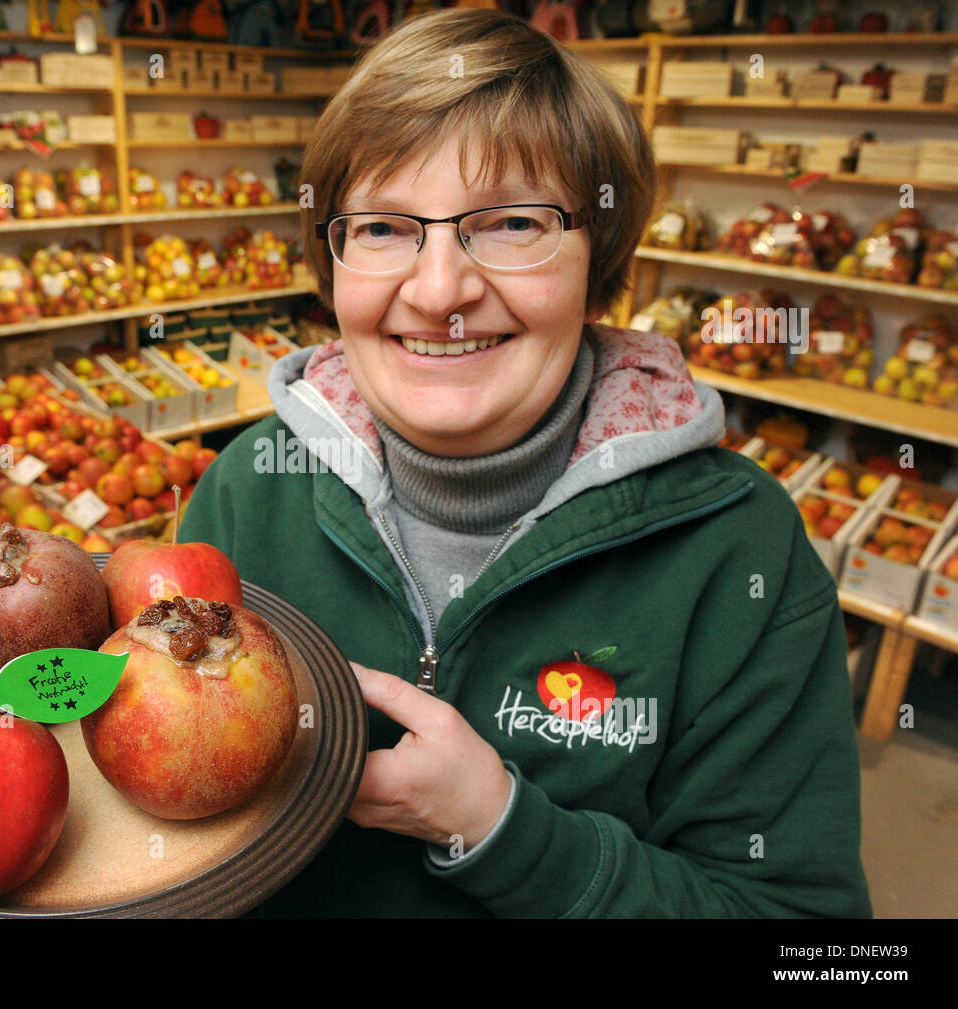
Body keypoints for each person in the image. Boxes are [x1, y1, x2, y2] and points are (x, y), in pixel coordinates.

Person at [179, 9, 873, 918]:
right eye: (385, 229)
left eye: (511, 222)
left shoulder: (739, 552)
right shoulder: (244, 490)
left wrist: (509, 832)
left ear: (599, 257)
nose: (440, 293)